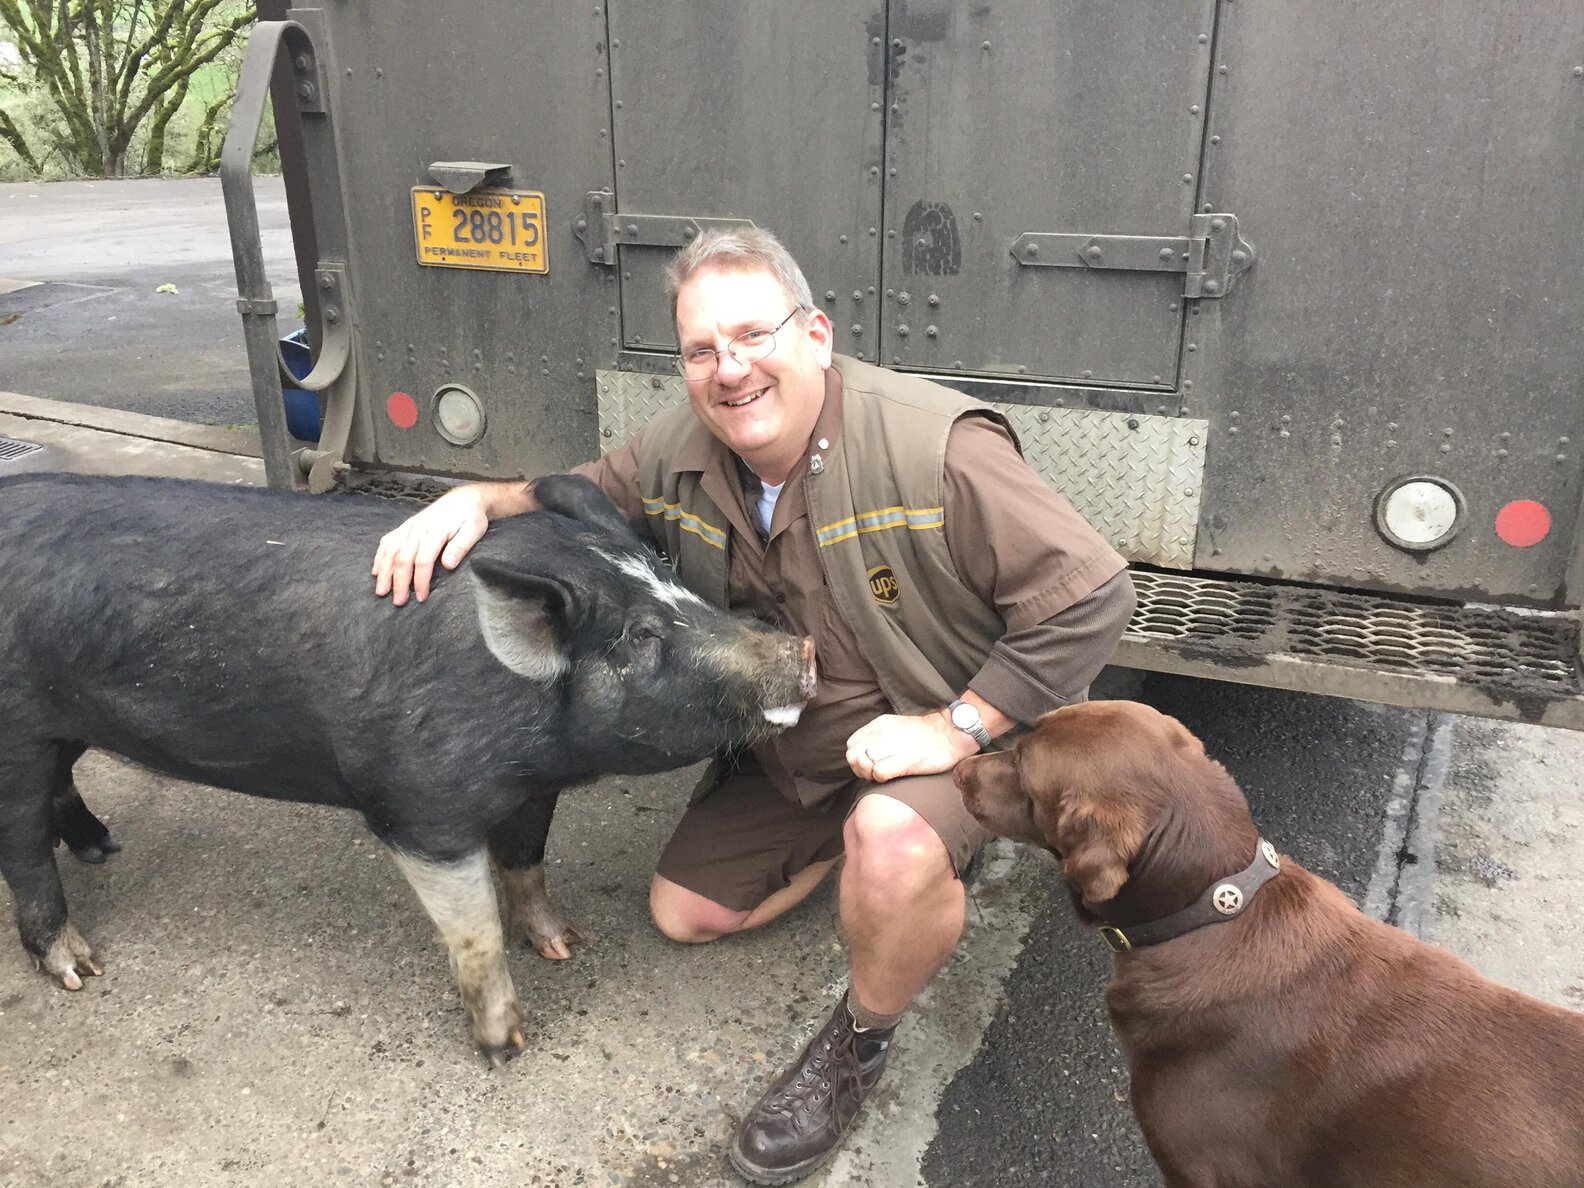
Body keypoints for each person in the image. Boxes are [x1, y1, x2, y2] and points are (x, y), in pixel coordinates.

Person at [371, 228, 1135, 1184]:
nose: (730, 369)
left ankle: (859, 1039)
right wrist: (473, 500)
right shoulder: (679, 449)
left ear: (814, 333)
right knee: (684, 914)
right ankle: (868, 842)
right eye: (701, 350)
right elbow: (566, 499)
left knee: (894, 842)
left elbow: (1095, 593)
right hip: (802, 735)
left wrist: (955, 727)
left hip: (945, 722)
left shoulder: (935, 447)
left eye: (753, 335)